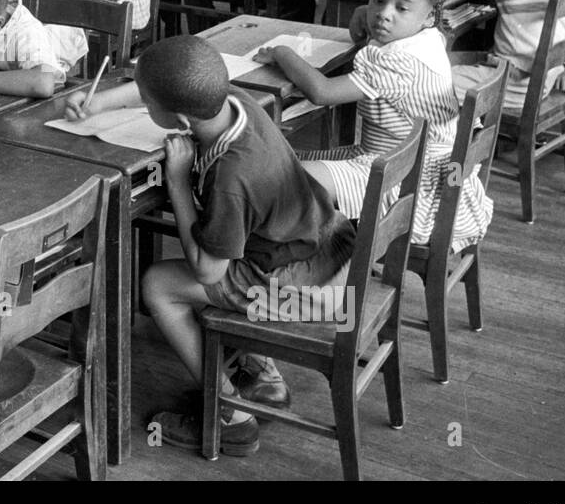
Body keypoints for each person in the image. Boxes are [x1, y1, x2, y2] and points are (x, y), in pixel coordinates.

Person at [64, 36, 356, 453]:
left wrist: (179, 183)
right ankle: (259, 375)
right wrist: (97, 104)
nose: (144, 106)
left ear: (179, 119)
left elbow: (208, 271)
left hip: (307, 290)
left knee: (159, 285)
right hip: (328, 249)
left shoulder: (233, 177)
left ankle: (231, 415)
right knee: (224, 257)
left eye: (148, 105)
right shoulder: (233, 101)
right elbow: (160, 84)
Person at [257, 0, 492, 251]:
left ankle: (311, 257)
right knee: (290, 165)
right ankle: (314, 246)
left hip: (408, 185)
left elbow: (321, 92)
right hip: (413, 167)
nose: (384, 14)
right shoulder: (427, 38)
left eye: (401, 7)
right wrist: (363, 12)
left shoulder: (400, 61)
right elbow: (390, 18)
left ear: (428, 15)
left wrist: (282, 53)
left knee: (287, 179)